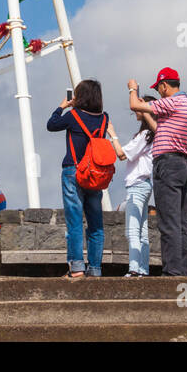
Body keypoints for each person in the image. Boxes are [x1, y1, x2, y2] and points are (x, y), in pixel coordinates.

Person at [127, 67, 187, 275]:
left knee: (168, 222)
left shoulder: (172, 102)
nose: (159, 92)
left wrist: (132, 89)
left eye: (159, 89)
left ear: (164, 85)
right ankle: (181, 269)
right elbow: (160, 130)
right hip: (183, 165)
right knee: (181, 222)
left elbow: (135, 105)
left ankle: (172, 272)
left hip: (167, 165)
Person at [48, 79, 118, 279]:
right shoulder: (104, 118)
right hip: (95, 174)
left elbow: (51, 125)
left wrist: (63, 105)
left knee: (75, 222)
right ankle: (95, 269)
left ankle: (77, 267)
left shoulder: (73, 116)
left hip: (74, 171)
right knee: (96, 224)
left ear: (80, 96)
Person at [117, 110, 155, 277]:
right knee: (142, 232)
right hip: (145, 184)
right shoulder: (153, 134)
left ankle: (134, 269)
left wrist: (112, 135)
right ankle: (143, 269)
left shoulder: (145, 134)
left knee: (133, 231)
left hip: (137, 185)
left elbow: (121, 154)